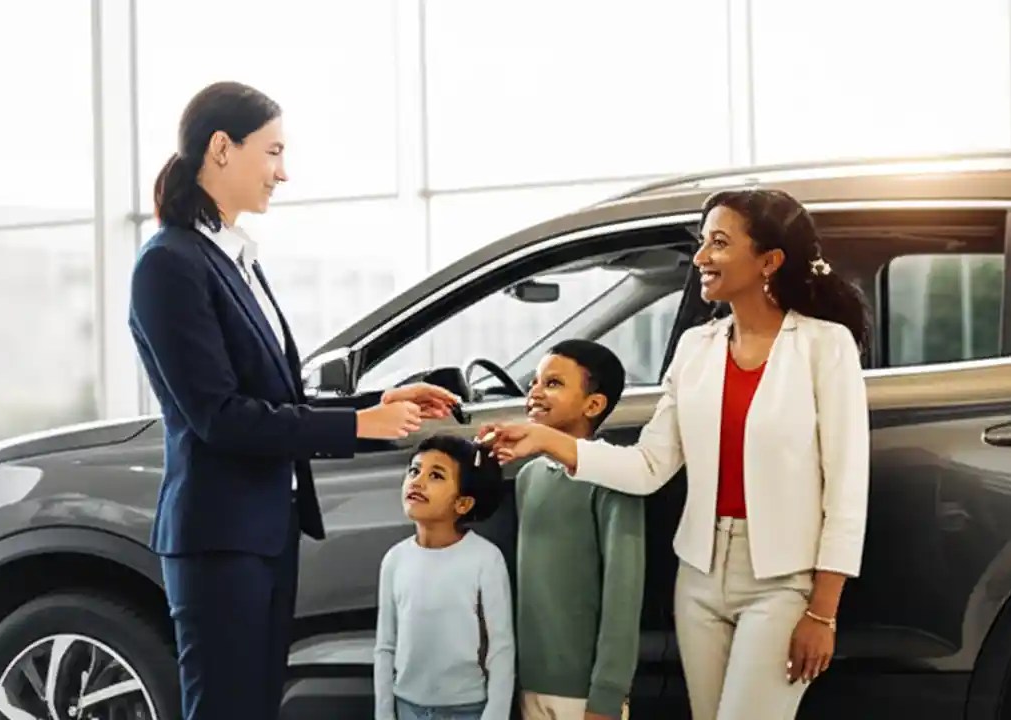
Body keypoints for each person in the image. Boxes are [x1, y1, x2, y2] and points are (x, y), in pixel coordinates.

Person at [129, 80, 459, 720]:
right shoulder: (168, 264)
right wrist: (362, 423)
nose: (284, 172)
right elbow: (220, 417)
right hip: (219, 537)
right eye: (273, 152)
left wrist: (380, 402)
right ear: (222, 148)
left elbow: (278, 396)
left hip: (264, 532)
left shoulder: (233, 259)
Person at [479, 188, 871, 720]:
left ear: (769, 262)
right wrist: (549, 440)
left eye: (719, 243)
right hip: (699, 579)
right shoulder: (696, 348)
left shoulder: (826, 347)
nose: (702, 257)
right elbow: (646, 467)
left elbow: (847, 489)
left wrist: (822, 613)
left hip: (782, 584)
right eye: (703, 242)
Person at [514, 340, 644, 720]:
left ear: (593, 405)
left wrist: (606, 695)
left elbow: (624, 595)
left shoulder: (612, 480)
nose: (535, 392)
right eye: (533, 383)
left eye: (552, 384)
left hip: (585, 695)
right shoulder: (529, 477)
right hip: (532, 684)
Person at [374, 434, 514, 720]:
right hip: (407, 705)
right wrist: (385, 712)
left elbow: (501, 649)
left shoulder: (485, 559)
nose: (418, 480)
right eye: (414, 470)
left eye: (436, 475)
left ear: (463, 504)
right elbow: (385, 647)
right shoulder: (395, 559)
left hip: (467, 709)